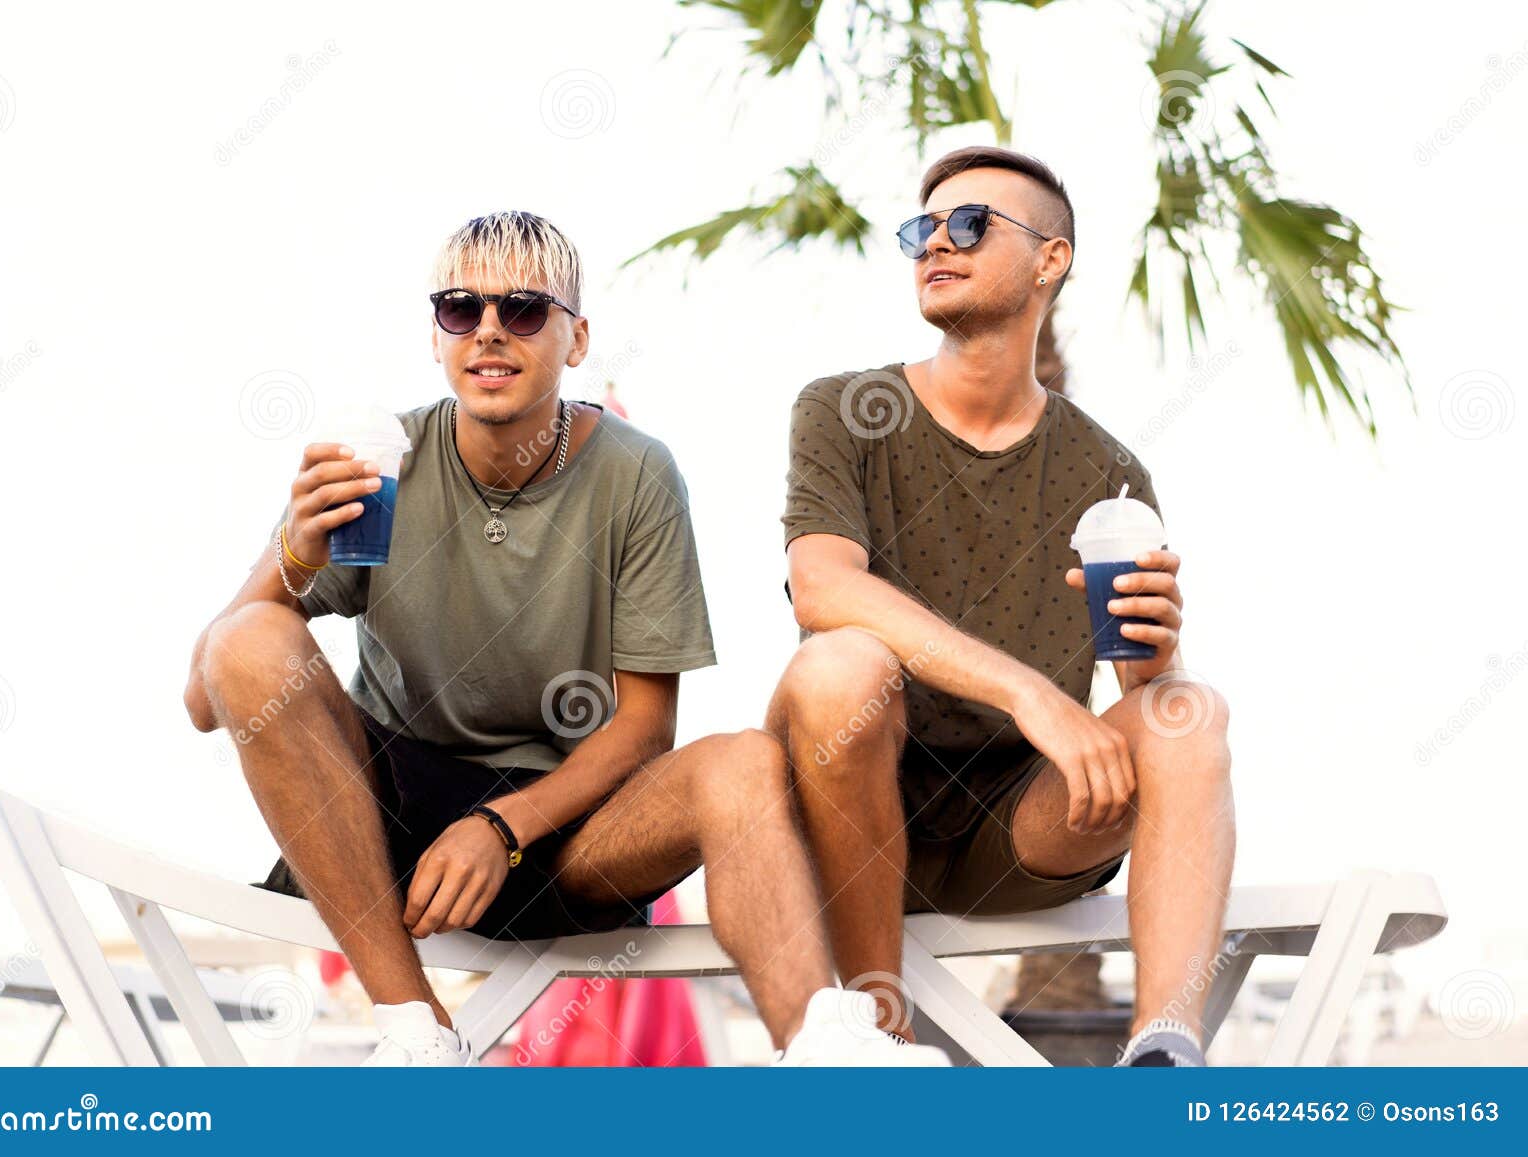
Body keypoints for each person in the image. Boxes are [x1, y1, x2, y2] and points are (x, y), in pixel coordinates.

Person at [183, 210, 946, 1066]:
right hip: (389, 824)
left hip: (568, 830)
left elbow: (646, 727)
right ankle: (414, 1029)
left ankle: (823, 1050)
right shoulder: (380, 463)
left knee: (742, 761)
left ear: (576, 338)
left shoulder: (636, 472)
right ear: (435, 337)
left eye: (523, 309)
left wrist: (501, 826)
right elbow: (208, 696)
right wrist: (293, 552)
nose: (489, 331)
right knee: (249, 636)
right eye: (460, 308)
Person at [766, 148, 1236, 1067]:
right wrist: (1031, 693)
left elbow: (1143, 701)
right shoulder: (843, 409)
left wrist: (1156, 651)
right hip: (849, 816)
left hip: (1022, 833)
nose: (937, 243)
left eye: (971, 224)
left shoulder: (1110, 472)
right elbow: (821, 587)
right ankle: (875, 1039)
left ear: (1050, 260)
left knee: (1191, 713)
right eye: (923, 228)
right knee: (841, 665)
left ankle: (1163, 1054)